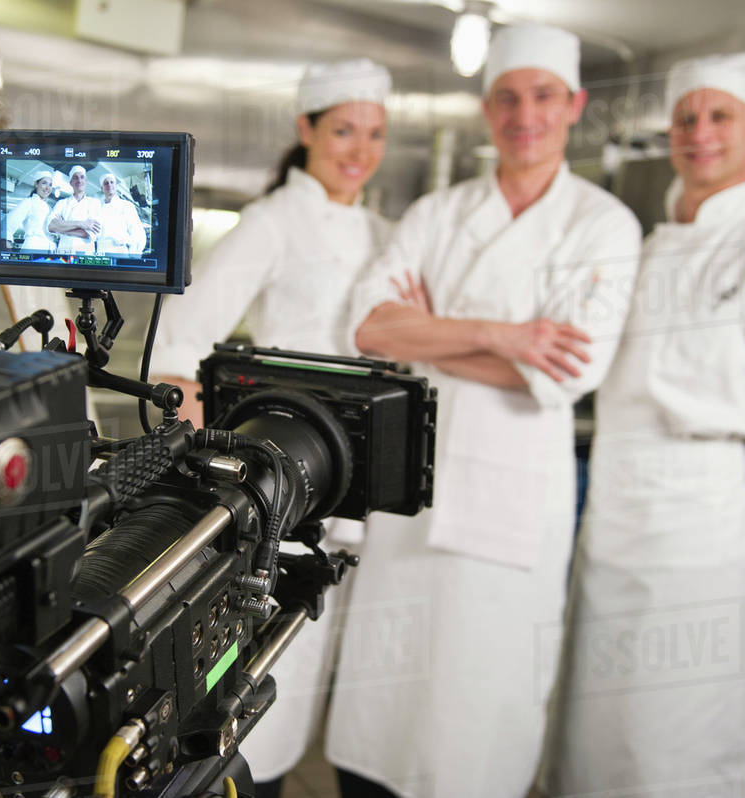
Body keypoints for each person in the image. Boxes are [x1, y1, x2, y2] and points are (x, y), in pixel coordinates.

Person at [322, 23, 642, 798]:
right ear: (487, 108)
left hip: (512, 512)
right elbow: (365, 328)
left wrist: (426, 339)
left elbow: (569, 371)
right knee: (380, 707)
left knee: (476, 720)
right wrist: (507, 336)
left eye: (543, 96)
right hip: (411, 501)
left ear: (574, 106)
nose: (523, 113)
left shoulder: (603, 224)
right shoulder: (439, 212)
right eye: (507, 97)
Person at [542, 53, 745, 797]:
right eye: (687, 117)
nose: (700, 132)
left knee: (676, 736)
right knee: (597, 731)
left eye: (720, 116)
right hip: (616, 510)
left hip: (703, 514)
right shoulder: (648, 247)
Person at [149, 58, 393, 798]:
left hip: (359, 489)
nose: (360, 148)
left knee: (316, 671)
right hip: (286, 482)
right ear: (306, 129)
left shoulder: (386, 231)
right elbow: (177, 350)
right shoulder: (274, 219)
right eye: (344, 128)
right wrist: (208, 470)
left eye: (375, 134)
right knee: (260, 681)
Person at [47, 165, 102, 254]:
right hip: (63, 252)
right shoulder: (61, 203)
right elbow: (51, 226)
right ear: (71, 182)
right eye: (75, 178)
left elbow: (93, 234)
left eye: (82, 177)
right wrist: (82, 224)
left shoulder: (95, 203)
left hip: (85, 253)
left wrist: (62, 228)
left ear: (86, 181)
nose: (79, 180)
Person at [95, 173, 146, 255]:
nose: (109, 185)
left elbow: (137, 232)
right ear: (102, 188)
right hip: (102, 252)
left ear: (116, 186)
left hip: (121, 251)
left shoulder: (127, 206)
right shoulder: (98, 208)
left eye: (112, 182)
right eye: (106, 183)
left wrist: (133, 253)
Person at [5, 170, 55, 252]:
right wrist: (7, 243)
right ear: (36, 184)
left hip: (49, 250)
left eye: (50, 185)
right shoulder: (29, 202)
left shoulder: (49, 207)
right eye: (44, 183)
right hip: (33, 248)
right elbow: (9, 222)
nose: (47, 188)